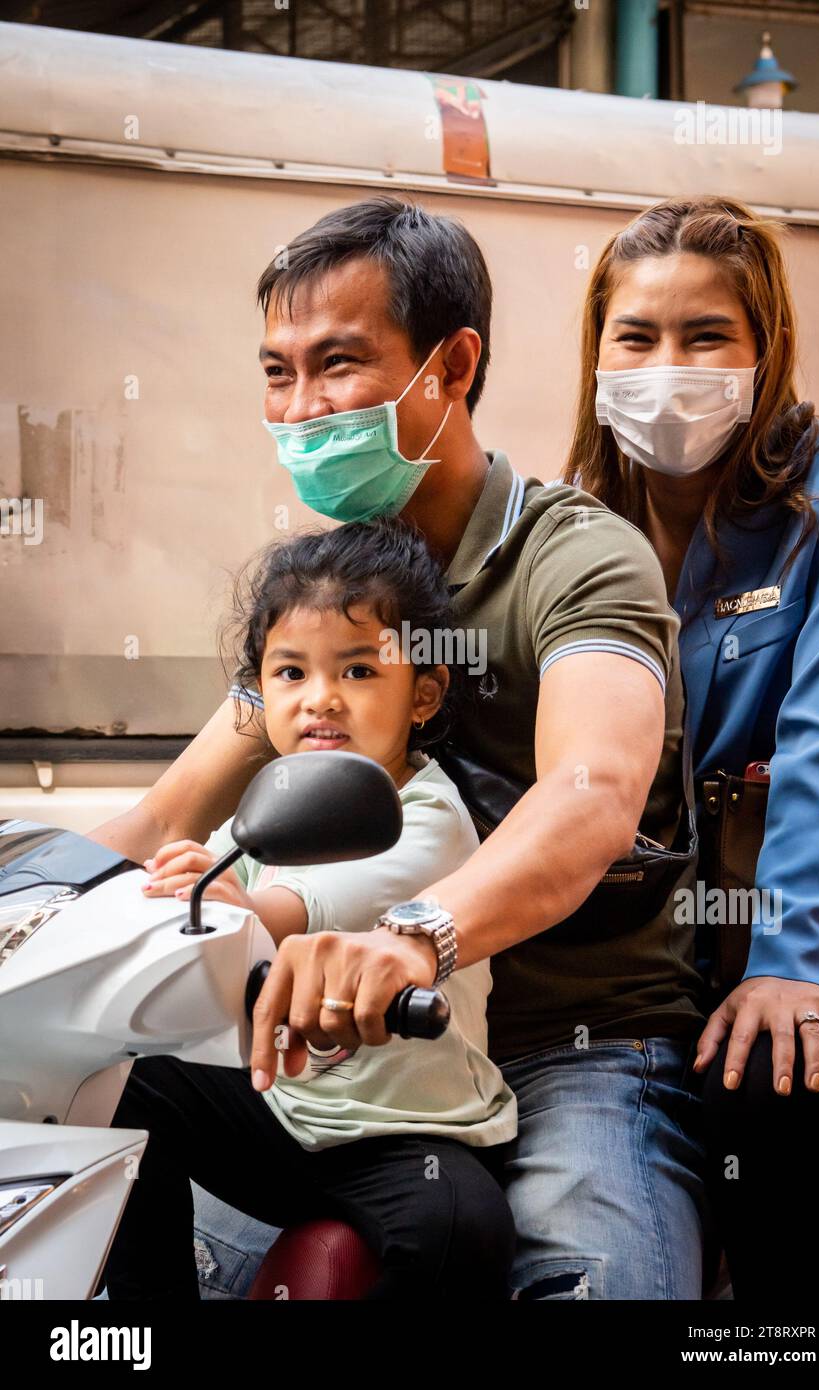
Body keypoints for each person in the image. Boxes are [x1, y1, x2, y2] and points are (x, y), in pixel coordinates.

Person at [93, 196, 708, 1300]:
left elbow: (593, 788)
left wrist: (418, 937)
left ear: (452, 364)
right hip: (363, 1055)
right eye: (276, 373)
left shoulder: (575, 558)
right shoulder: (328, 599)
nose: (298, 407)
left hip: (572, 1040)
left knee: (596, 1288)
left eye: (337, 364)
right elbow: (161, 816)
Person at [564, 193, 819, 1300]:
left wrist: (793, 962)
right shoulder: (575, 529)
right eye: (635, 337)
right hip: (646, 968)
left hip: (813, 935)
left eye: (705, 337)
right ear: (596, 355)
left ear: (763, 350)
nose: (664, 366)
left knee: (773, 1078)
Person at [104, 518, 518, 1301]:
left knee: (462, 1225)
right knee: (114, 1082)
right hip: (281, 1112)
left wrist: (232, 899)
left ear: (423, 695)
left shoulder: (427, 815)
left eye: (359, 672)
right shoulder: (264, 810)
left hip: (408, 1138)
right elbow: (201, 885)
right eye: (291, 674)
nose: (320, 698)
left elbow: (296, 905)